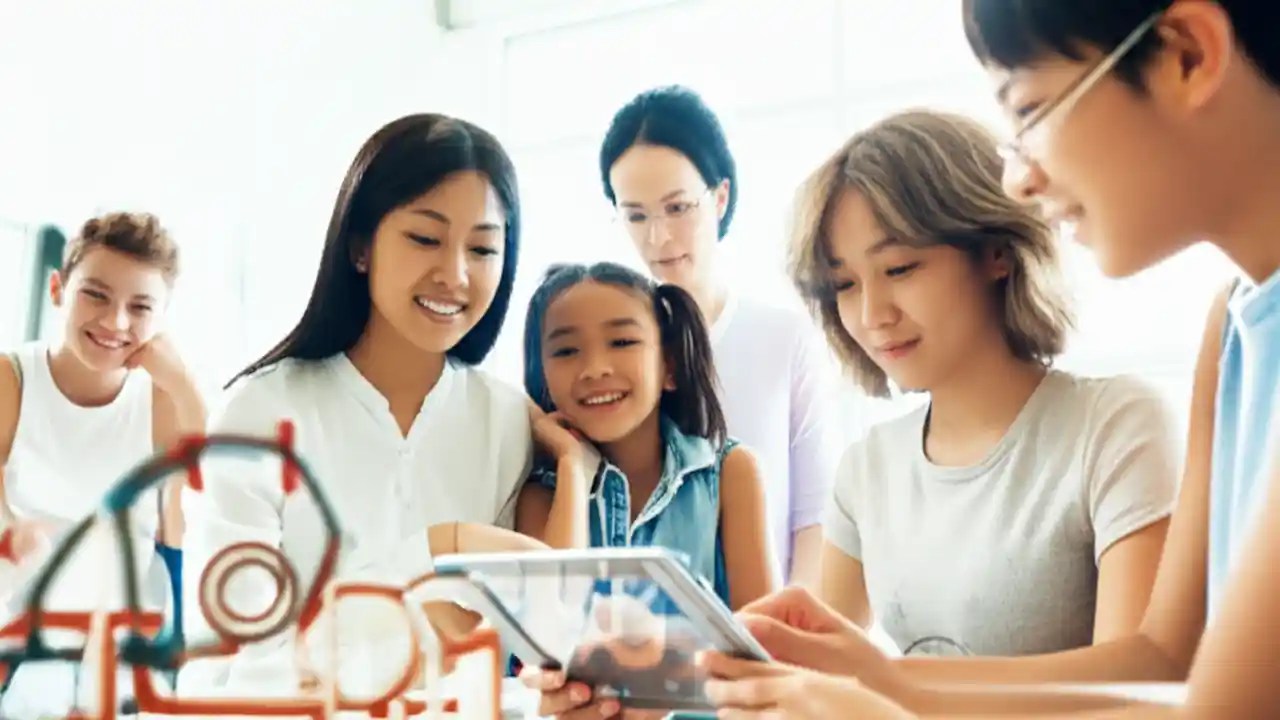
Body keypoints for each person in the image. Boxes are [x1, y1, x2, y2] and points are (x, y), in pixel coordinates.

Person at [697, 0, 1280, 717]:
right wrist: (878, 680)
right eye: (843, 285)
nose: (1019, 180)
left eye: (1030, 110)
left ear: (1187, 55)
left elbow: (1179, 683)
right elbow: (1193, 696)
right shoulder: (1234, 330)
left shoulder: (1118, 415)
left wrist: (882, 703)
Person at [178, 113, 584, 698]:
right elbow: (237, 669)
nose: (455, 273)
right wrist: (437, 549)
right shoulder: (258, 413)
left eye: (483, 248)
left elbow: (494, 656)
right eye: (425, 238)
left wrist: (570, 465)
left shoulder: (502, 420)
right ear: (361, 245)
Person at [599, 86, 841, 588]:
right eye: (636, 215)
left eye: (678, 207)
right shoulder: (606, 354)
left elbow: (816, 520)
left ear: (720, 196)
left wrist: (788, 643)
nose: (658, 238)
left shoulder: (785, 340)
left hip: (768, 640)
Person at [0, 211, 206, 716]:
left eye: (140, 307)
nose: (115, 322)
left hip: (125, 626)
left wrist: (183, 385)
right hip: (26, 612)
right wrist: (12, 532)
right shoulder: (12, 379)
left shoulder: (162, 399)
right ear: (57, 290)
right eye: (95, 294)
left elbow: (197, 510)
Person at [516, 262, 776, 611]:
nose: (595, 369)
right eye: (566, 350)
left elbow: (768, 639)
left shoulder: (731, 473)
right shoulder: (541, 495)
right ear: (542, 376)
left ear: (669, 365)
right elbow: (548, 632)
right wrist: (572, 467)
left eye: (622, 342)